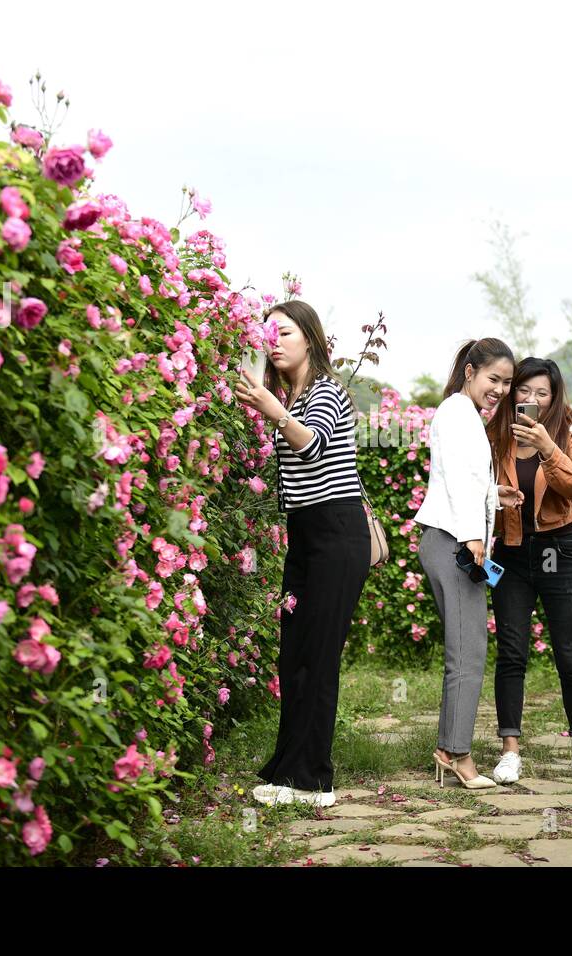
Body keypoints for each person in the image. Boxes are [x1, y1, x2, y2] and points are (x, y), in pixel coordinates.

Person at [234, 300, 370, 808]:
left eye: (284, 332)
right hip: (307, 533)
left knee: (316, 656)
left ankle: (315, 782)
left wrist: (271, 408)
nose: (274, 340)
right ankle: (287, 768)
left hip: (338, 534)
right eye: (269, 332)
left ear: (309, 339)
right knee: (293, 654)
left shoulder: (327, 392)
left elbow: (311, 446)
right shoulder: (293, 394)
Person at [484, 357, 572, 783]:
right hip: (511, 552)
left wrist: (545, 445)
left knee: (571, 655)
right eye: (524, 391)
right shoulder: (494, 433)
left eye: (542, 393)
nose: (531, 399)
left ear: (554, 397)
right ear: (513, 391)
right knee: (512, 652)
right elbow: (477, 485)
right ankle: (510, 751)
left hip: (561, 548)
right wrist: (494, 495)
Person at [414, 337, 518, 789]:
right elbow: (456, 476)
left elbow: (462, 478)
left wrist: (496, 495)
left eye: (507, 383)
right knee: (468, 653)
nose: (499, 389)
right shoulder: (458, 412)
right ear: (471, 371)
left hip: (451, 538)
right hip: (454, 541)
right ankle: (454, 752)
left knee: (468, 650)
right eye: (493, 378)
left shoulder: (464, 415)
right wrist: (474, 536)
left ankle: (451, 746)